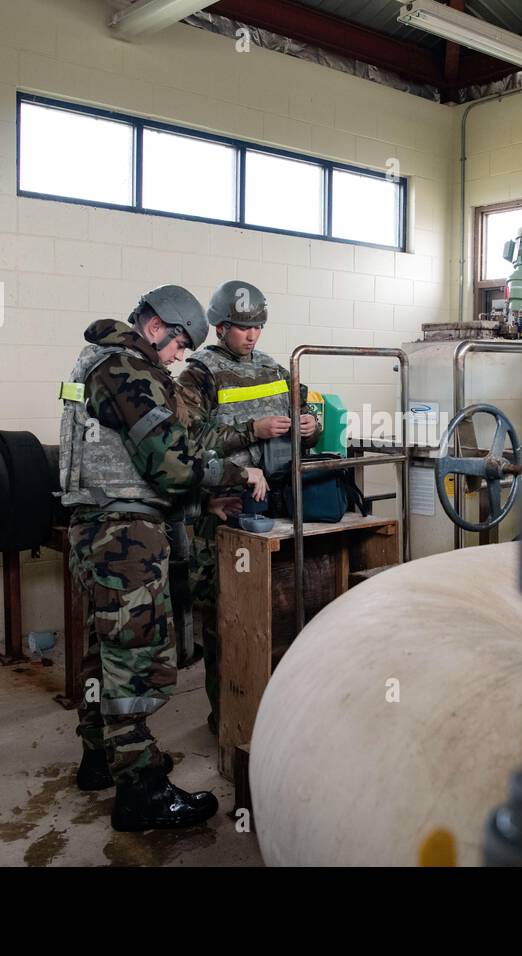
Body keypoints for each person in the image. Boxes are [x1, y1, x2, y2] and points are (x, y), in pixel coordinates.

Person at [58, 284, 267, 831]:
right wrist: (235, 473)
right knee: (138, 659)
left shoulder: (98, 363)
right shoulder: (127, 370)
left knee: (104, 651)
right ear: (158, 329)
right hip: (124, 536)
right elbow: (171, 464)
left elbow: (142, 457)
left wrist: (200, 498)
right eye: (177, 347)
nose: (178, 359)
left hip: (98, 526)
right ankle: (142, 791)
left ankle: (100, 757)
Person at [176, 281, 318, 734]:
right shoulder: (198, 373)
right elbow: (188, 443)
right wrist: (251, 430)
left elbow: (311, 410)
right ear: (220, 327)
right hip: (224, 507)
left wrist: (310, 425)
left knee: (276, 608)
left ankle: (275, 711)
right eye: (242, 328)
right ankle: (229, 718)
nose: (251, 336)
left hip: (275, 501)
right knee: (227, 616)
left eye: (257, 326)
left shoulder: (277, 369)